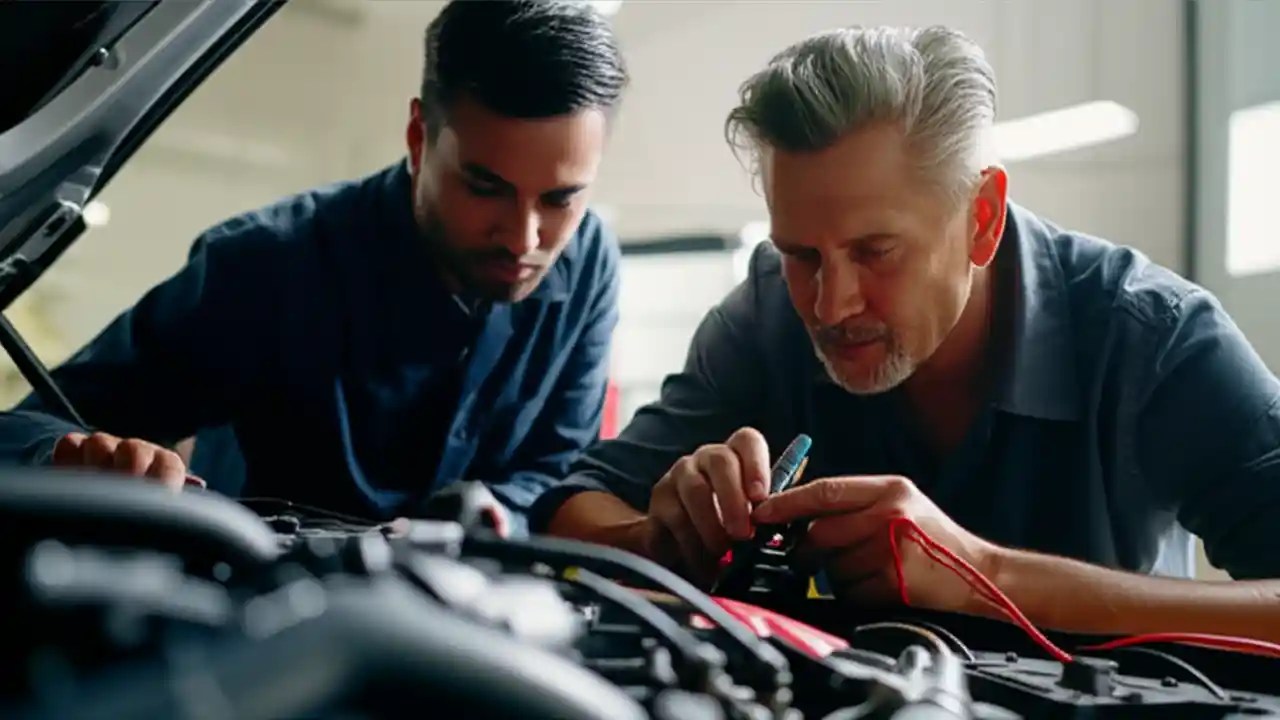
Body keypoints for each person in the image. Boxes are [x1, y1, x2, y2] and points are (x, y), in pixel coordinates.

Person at [533, 25, 1280, 640]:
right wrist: (664, 539)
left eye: (875, 252)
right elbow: (574, 506)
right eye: (800, 255)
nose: (829, 305)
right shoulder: (767, 313)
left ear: (981, 219)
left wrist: (988, 576)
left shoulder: (1153, 335)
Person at [0, 0, 629, 536]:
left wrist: (498, 512)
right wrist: (75, 455)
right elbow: (23, 433)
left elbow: (557, 468)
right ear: (418, 138)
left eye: (560, 198)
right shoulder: (266, 266)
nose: (525, 238)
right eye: (485, 186)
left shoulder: (590, 262)